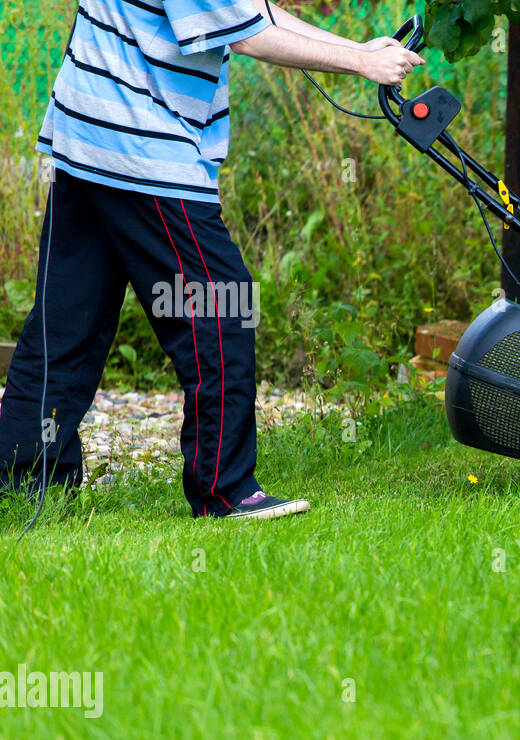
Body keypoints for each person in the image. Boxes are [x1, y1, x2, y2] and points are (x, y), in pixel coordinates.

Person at [0, 1, 424, 519]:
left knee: (65, 326)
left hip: (85, 139)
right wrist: (358, 64)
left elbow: (247, 10)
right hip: (141, 147)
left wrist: (357, 49)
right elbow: (247, 35)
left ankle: (23, 487)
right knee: (220, 310)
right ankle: (225, 490)